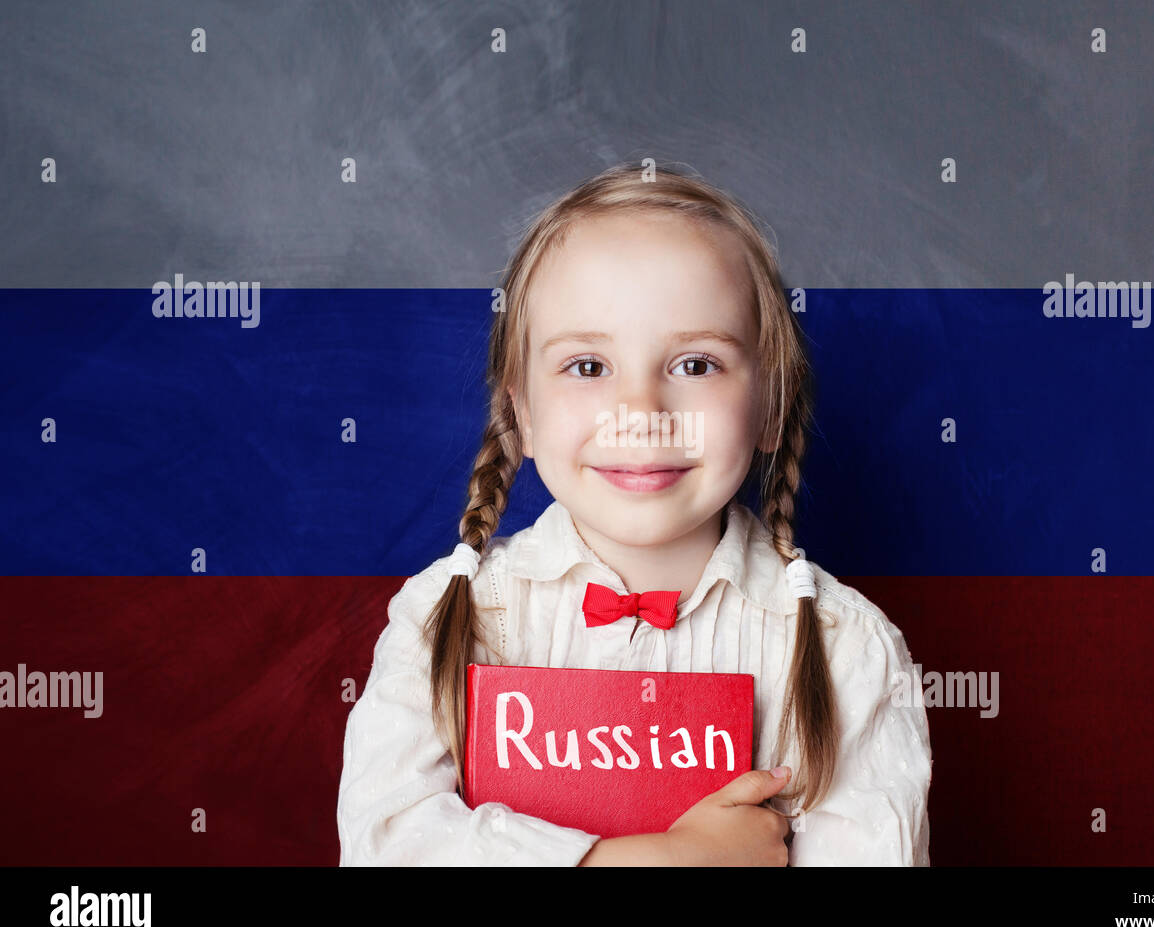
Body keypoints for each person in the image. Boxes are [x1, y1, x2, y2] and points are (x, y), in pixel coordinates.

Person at [336, 161, 932, 866]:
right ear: (518, 410)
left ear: (770, 404)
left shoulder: (847, 651)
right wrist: (653, 862)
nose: (641, 414)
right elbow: (388, 849)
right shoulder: (444, 617)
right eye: (588, 366)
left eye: (696, 364)